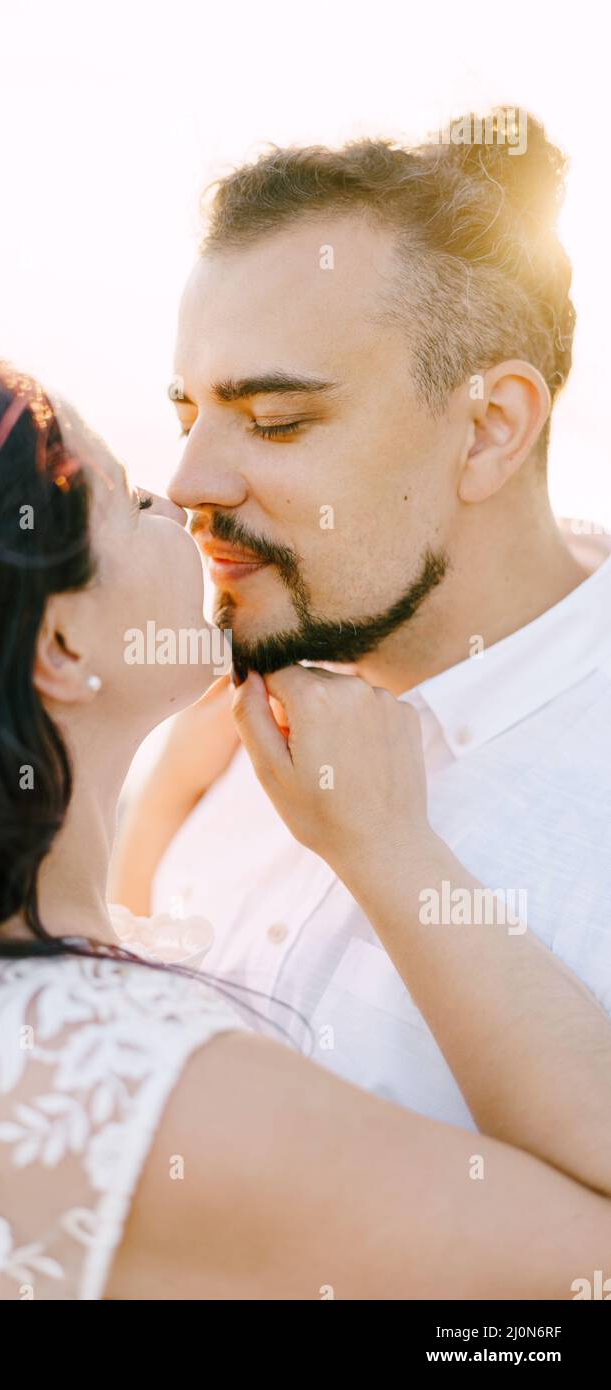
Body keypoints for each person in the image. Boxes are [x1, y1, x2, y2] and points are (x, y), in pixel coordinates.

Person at [0, 351, 611, 1301]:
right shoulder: (114, 1079)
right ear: (62, 647)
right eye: (125, 496)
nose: (183, 496)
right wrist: (390, 847)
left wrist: (159, 800)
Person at [112, 108, 611, 1128]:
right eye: (187, 415)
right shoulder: (207, 729)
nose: (189, 480)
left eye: (274, 422)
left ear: (487, 429)